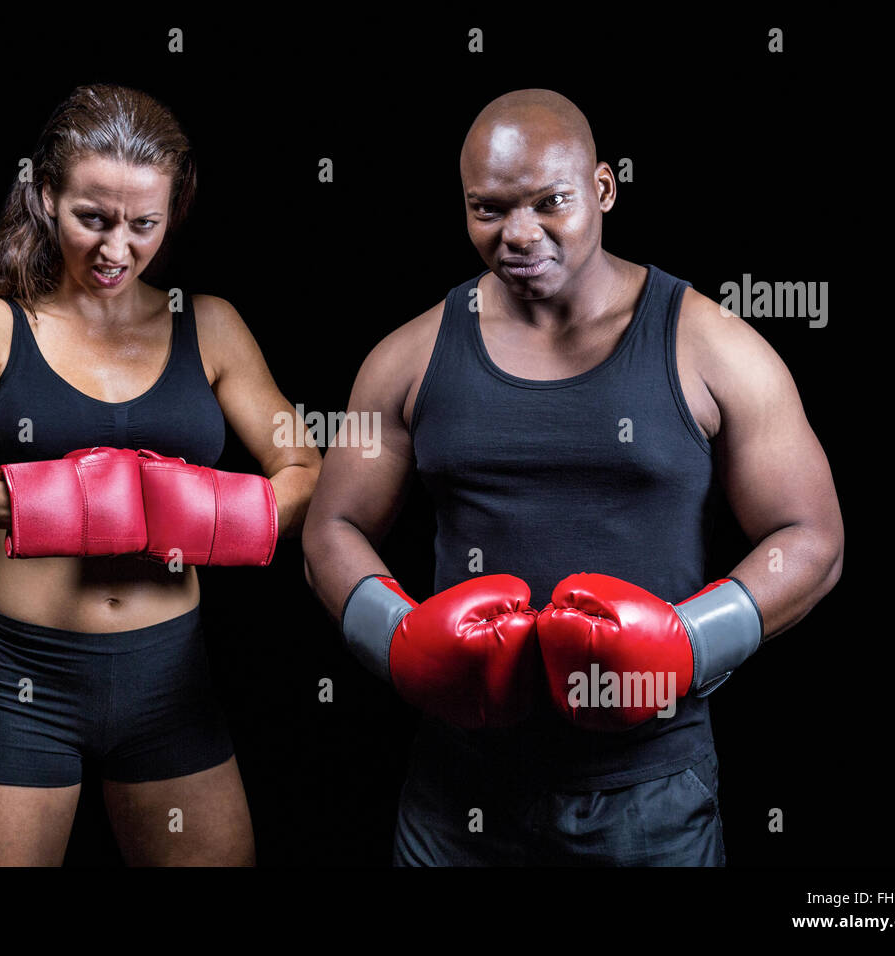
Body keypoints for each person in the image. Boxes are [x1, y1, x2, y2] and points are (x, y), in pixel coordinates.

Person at [302, 89, 844, 866]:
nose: (519, 234)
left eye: (549, 202)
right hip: (460, 798)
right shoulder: (410, 356)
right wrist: (399, 643)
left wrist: (689, 644)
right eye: (488, 210)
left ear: (603, 189)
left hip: (651, 793)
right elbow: (331, 529)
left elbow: (814, 538)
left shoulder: (711, 344)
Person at [0, 84, 320, 866]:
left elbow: (303, 466)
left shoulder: (212, 325)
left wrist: (233, 514)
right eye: (92, 218)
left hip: (172, 683)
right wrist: (28, 506)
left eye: (143, 224)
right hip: (25, 684)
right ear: (46, 194)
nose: (116, 249)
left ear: (173, 212)